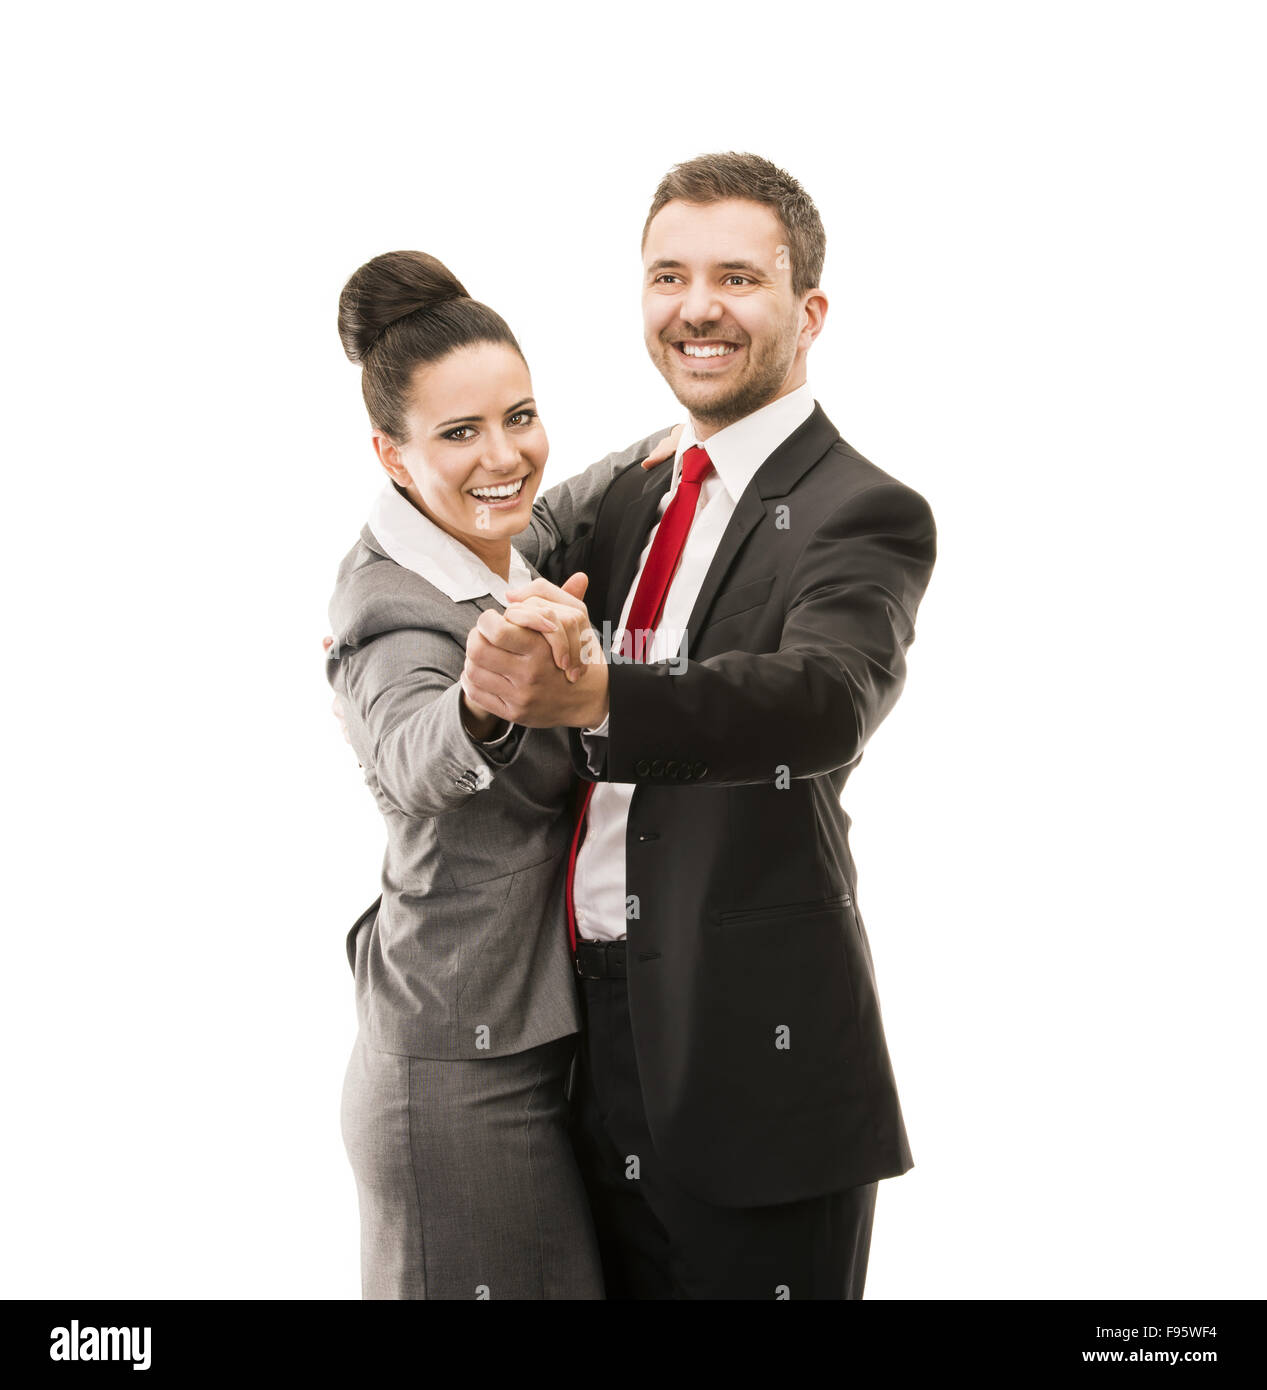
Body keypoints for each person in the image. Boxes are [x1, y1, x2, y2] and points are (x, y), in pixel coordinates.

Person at [460, 152, 939, 1299]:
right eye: (668, 276)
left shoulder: (862, 510)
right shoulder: (631, 490)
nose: (696, 308)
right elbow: (479, 545)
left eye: (737, 278)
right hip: (580, 1043)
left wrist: (601, 700)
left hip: (749, 1063)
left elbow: (822, 699)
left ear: (807, 311)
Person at [324, 249, 674, 1299]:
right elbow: (411, 755)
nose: (502, 456)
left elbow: (557, 504)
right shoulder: (389, 606)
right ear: (390, 454)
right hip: (453, 1074)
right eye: (459, 433)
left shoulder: (491, 543)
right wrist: (478, 701)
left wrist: (687, 439)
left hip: (531, 1042)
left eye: (519, 416)